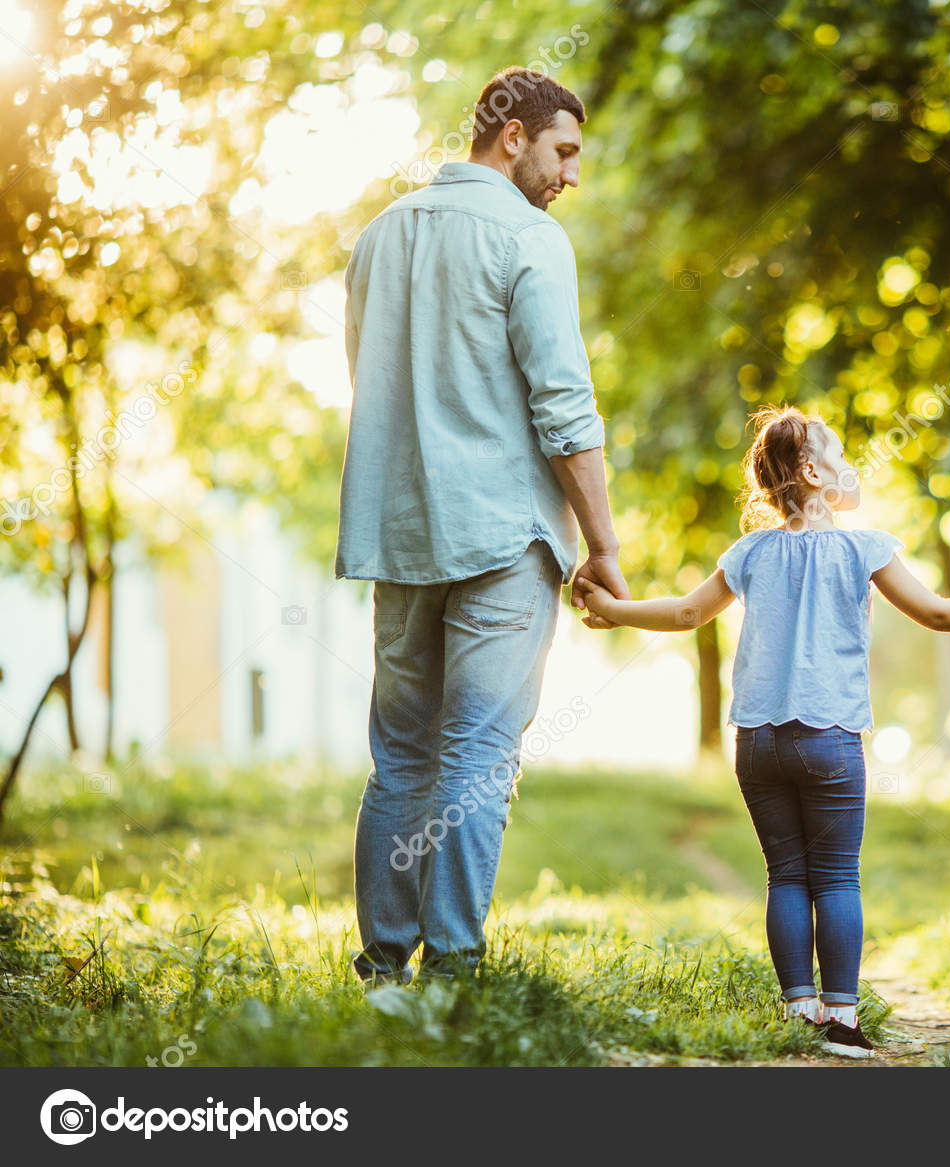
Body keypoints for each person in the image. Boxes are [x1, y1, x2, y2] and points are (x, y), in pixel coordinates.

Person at [576, 406, 950, 1054]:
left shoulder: (749, 551)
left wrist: (610, 607)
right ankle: (843, 1019)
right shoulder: (864, 547)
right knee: (836, 875)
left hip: (758, 742)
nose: (850, 464)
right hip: (828, 737)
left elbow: (686, 611)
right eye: (837, 452)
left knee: (785, 874)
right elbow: (938, 613)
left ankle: (799, 1010)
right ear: (810, 471)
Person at [337, 66, 628, 984]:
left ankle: (385, 972)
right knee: (474, 756)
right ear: (514, 138)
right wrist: (604, 544)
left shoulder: (379, 239)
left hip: (401, 537)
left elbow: (369, 378)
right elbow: (566, 410)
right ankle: (455, 973)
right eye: (564, 151)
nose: (570, 174)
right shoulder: (529, 239)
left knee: (399, 761)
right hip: (504, 538)